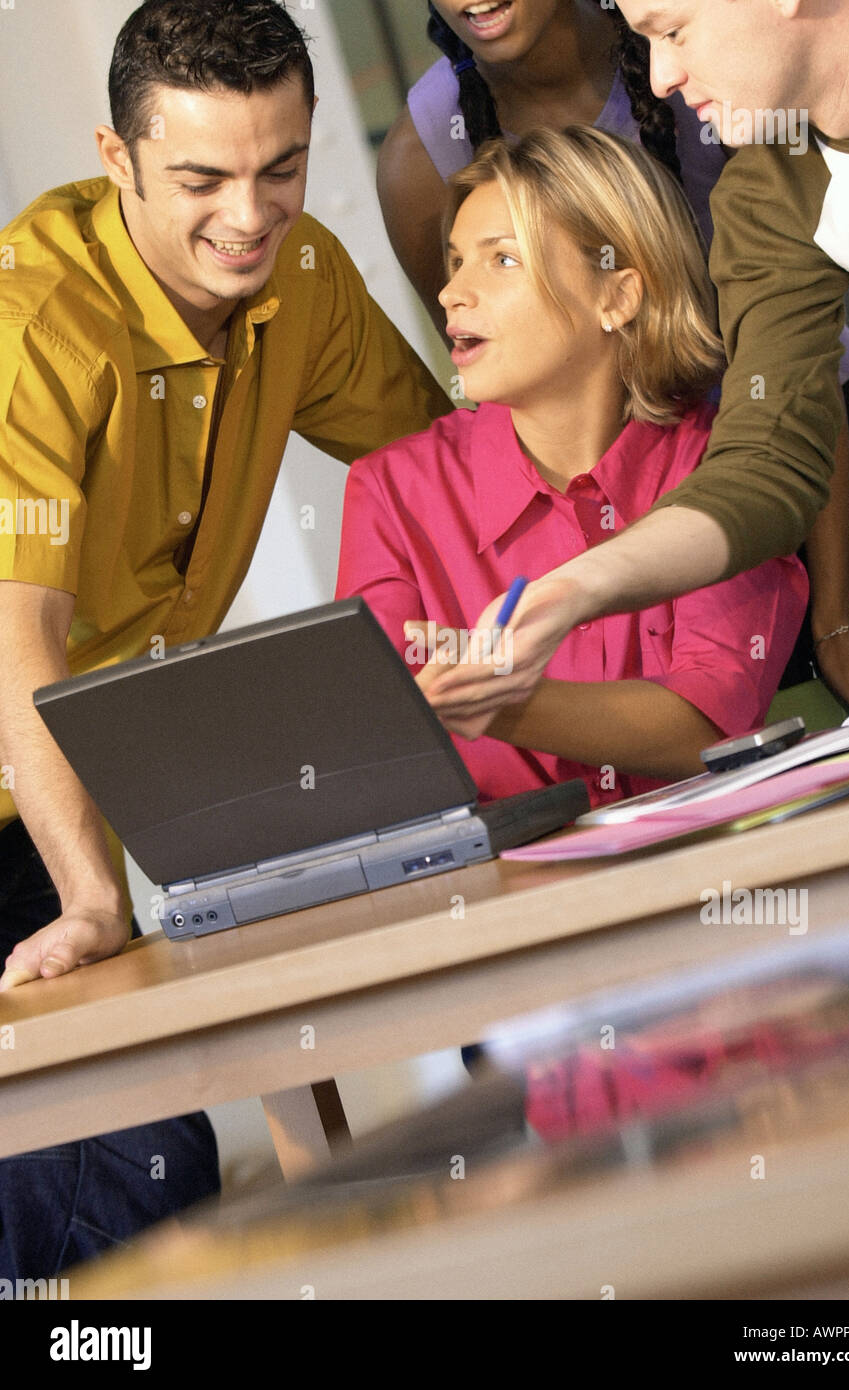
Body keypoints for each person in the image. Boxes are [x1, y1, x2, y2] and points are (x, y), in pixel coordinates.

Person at [0, 0, 448, 1276]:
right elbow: (17, 643)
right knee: (87, 1195)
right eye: (200, 177)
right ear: (115, 155)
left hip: (73, 776)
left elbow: (434, 471)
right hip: (27, 768)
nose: (248, 216)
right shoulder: (35, 329)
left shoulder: (295, 280)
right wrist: (97, 897)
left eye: (282, 168)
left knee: (148, 1173)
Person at [382, 0, 849, 736]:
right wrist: (571, 590)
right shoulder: (767, 188)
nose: (661, 75)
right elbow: (770, 455)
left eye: (672, 31)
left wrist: (837, 619)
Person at [338, 126, 807, 802]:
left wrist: (495, 700)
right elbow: (376, 740)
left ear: (616, 295)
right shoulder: (390, 490)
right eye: (455, 261)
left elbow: (703, 730)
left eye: (501, 261)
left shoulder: (728, 472)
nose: (450, 293)